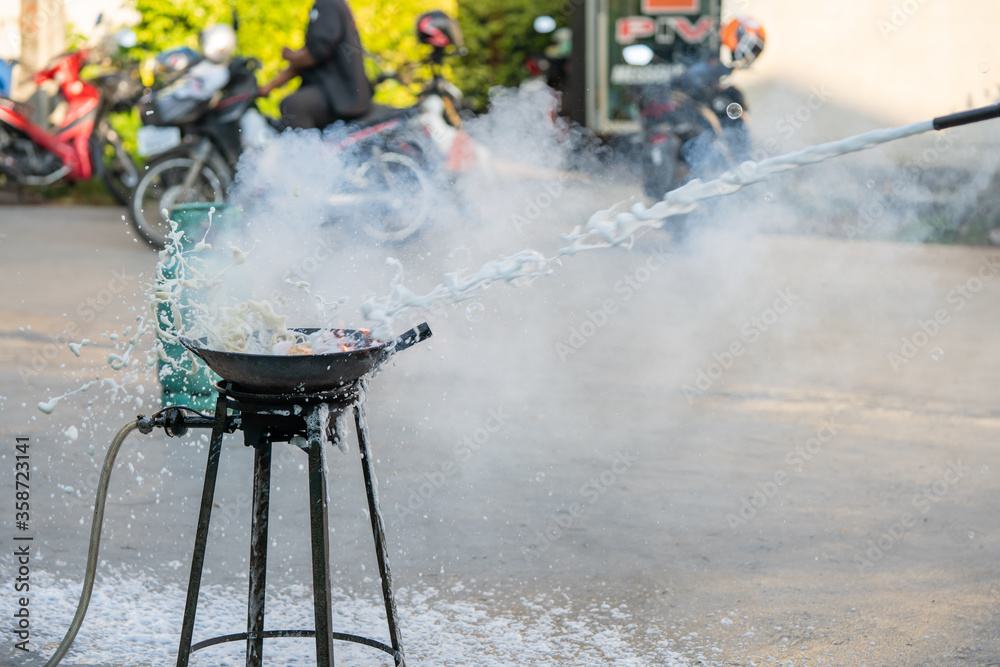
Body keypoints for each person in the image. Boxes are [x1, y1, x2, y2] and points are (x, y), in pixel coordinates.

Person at [258, 0, 373, 129]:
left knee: (292, 105)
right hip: (339, 92)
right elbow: (309, 55)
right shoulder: (332, 4)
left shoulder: (327, 4)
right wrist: (269, 87)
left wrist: (289, 55)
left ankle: (304, 143)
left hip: (341, 95)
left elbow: (315, 53)